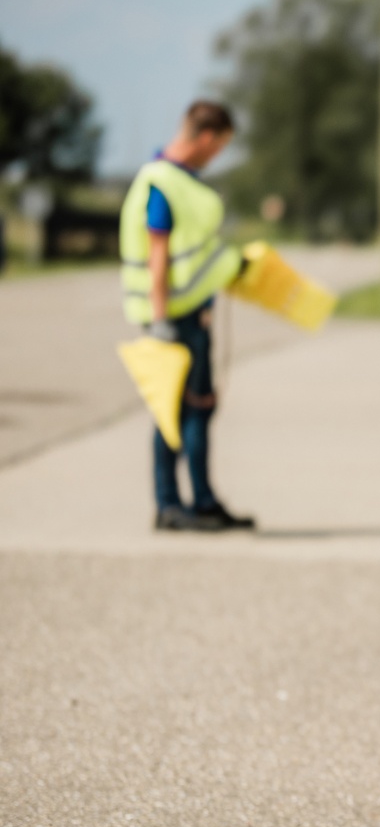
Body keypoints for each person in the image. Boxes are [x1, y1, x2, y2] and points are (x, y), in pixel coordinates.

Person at [118, 100, 252, 532]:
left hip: (195, 314)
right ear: (207, 137)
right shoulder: (162, 183)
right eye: (221, 146)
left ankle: (203, 500)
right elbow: (158, 255)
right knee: (173, 413)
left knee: (200, 408)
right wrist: (160, 323)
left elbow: (196, 257)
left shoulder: (183, 184)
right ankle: (170, 505)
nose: (218, 155)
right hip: (172, 319)